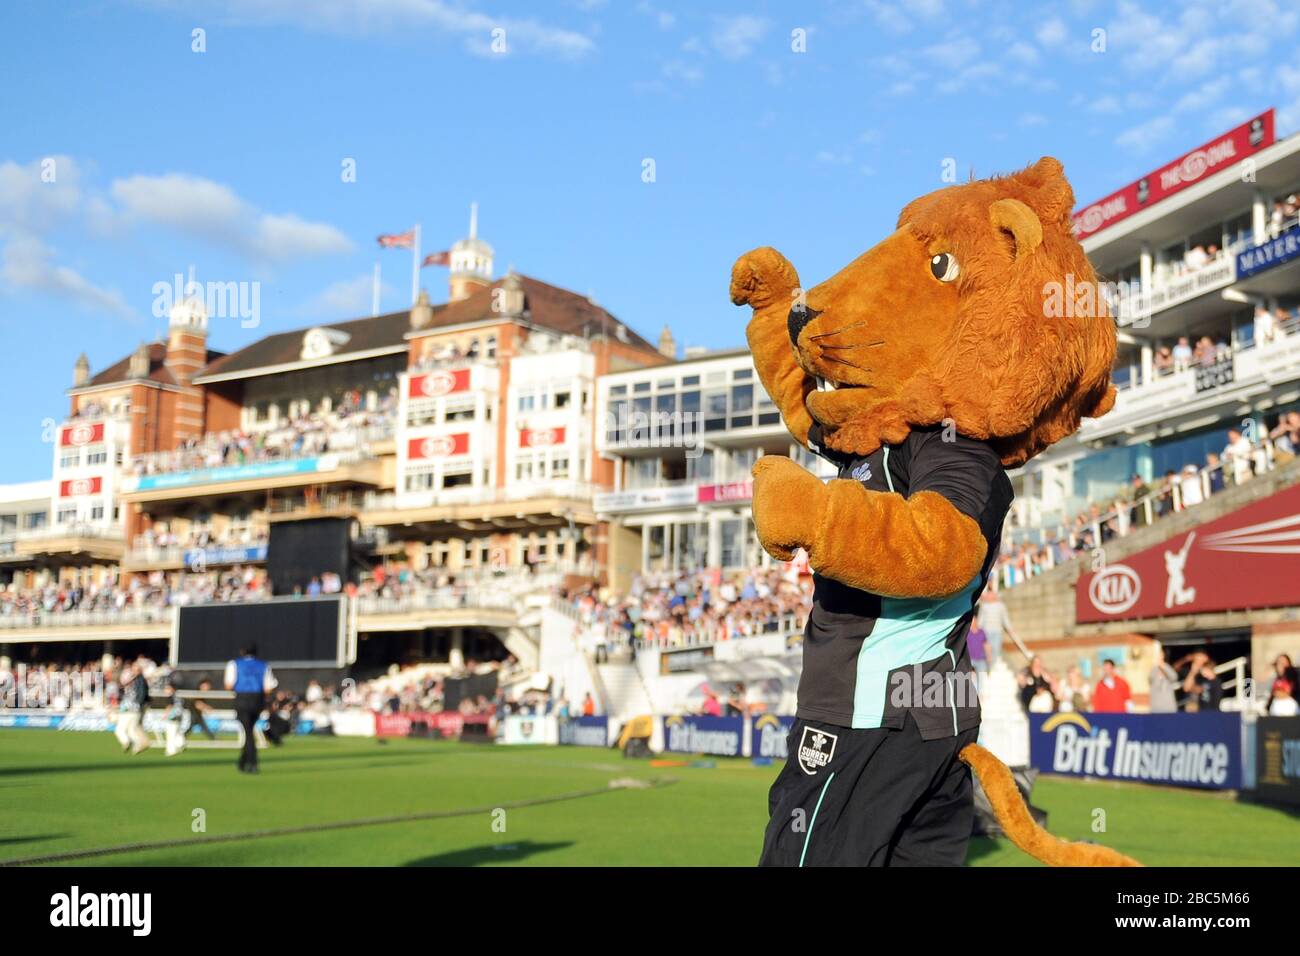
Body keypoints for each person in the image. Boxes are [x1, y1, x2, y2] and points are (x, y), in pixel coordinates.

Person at [223, 644, 277, 774]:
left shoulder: (234, 664)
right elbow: (269, 687)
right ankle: (242, 762)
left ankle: (253, 762)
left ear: (242, 651)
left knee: (248, 731)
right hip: (257, 700)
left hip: (242, 699)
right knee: (249, 730)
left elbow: (229, 685)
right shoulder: (263, 665)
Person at [114, 663, 151, 755]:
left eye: (134, 669)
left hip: (130, 709)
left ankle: (126, 742)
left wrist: (136, 705)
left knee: (120, 730)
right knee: (131, 729)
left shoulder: (139, 681)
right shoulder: (137, 681)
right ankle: (139, 745)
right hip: (135, 709)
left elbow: (140, 696)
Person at [977, 586, 1016, 669]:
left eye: (991, 594)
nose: (990, 595)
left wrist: (1010, 629)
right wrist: (978, 631)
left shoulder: (1001, 606)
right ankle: (988, 667)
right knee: (988, 651)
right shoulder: (984, 606)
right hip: (986, 631)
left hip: (998, 631)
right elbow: (980, 620)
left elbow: (1005, 619)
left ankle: (992, 667)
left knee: (996, 649)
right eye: (989, 594)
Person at [1148, 644, 1179, 713]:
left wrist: (1163, 666)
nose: (1159, 657)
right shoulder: (1153, 669)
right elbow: (1150, 679)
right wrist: (1156, 666)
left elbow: (1174, 677)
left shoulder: (1167, 667)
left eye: (1160, 655)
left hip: (1168, 707)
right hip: (1156, 708)